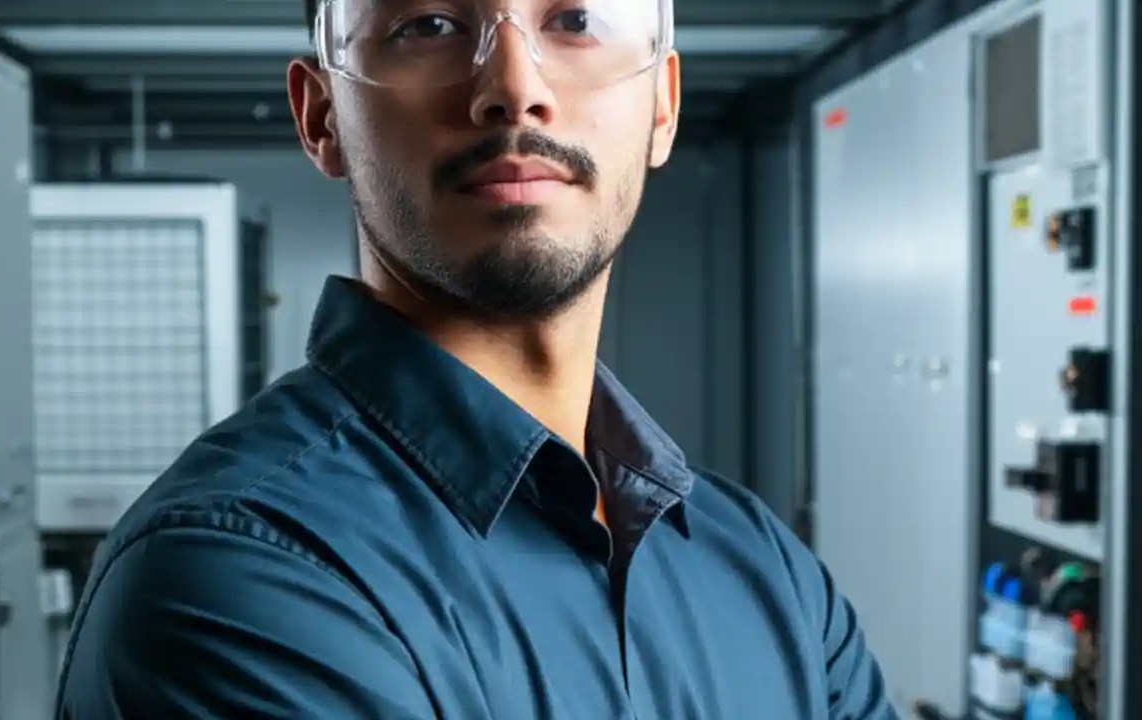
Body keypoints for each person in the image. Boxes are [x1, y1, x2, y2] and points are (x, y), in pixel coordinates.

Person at [55, 0, 899, 717]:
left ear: (663, 108)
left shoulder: (768, 574)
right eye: (429, 23)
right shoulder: (232, 580)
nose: (515, 89)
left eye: (574, 19)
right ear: (322, 118)